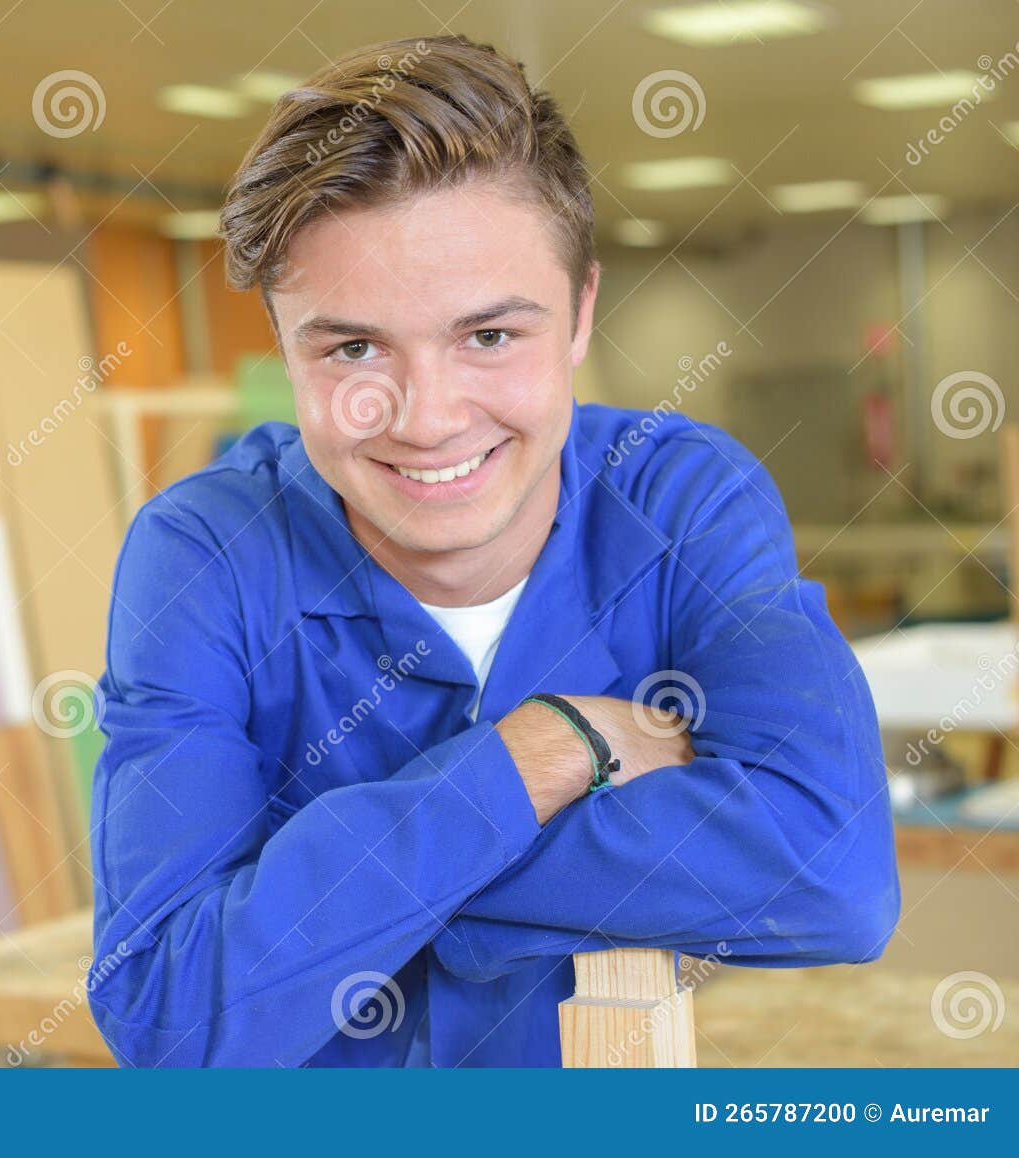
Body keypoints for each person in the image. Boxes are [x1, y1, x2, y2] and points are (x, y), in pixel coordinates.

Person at [85, 34, 899, 1067]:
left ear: (580, 315)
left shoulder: (681, 500)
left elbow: (833, 877)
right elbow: (169, 1017)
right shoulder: (207, 553)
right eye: (352, 348)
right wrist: (545, 750)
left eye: (489, 337)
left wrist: (349, 898)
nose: (426, 419)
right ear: (284, 347)